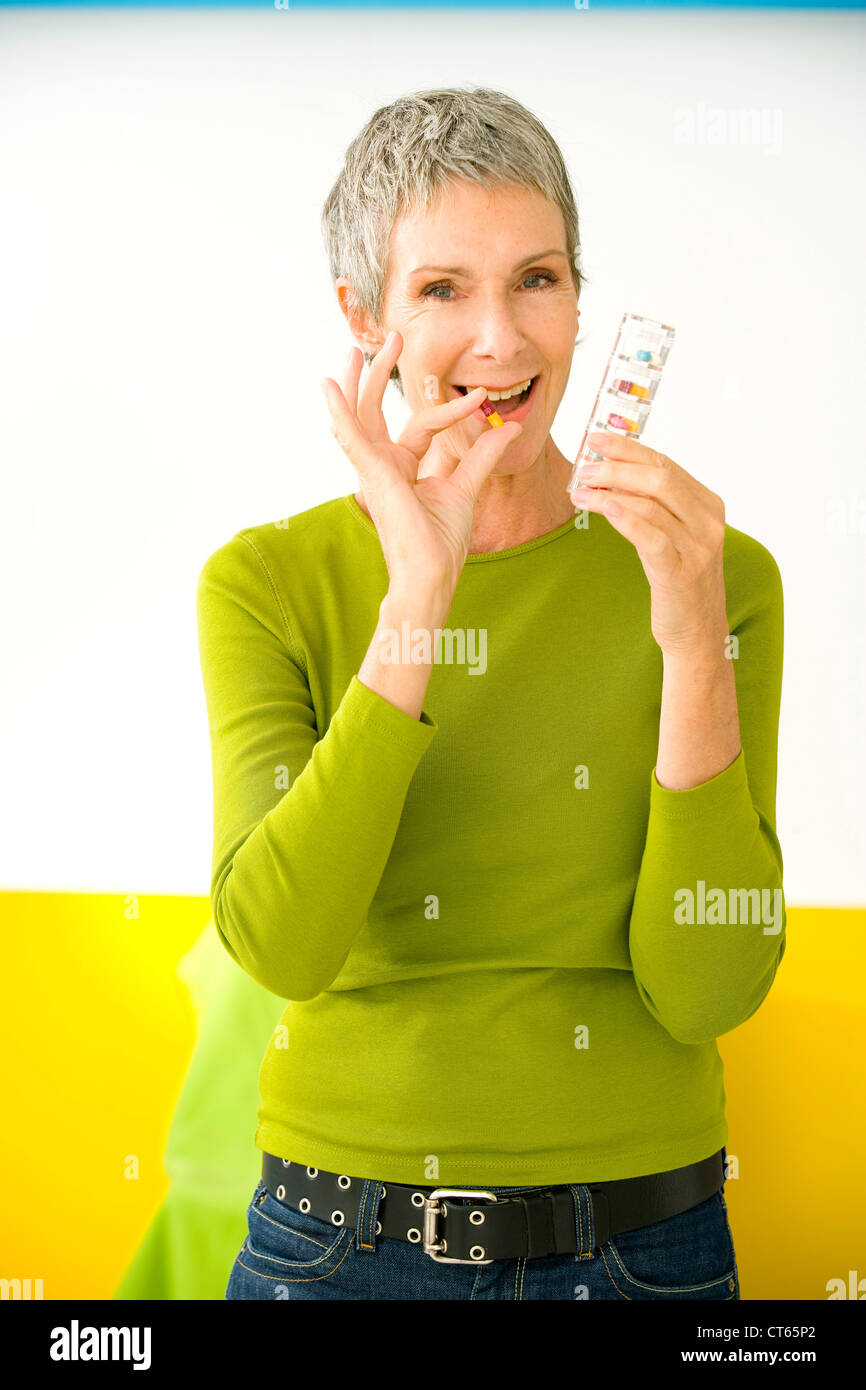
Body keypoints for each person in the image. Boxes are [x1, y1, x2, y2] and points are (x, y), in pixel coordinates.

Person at [196, 86, 786, 1301]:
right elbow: (281, 945)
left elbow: (707, 986)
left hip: (643, 1251)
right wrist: (417, 595)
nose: (503, 344)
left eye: (538, 279)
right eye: (440, 289)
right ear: (367, 321)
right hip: (331, 1248)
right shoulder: (265, 580)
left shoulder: (712, 572)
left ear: (580, 295)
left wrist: (685, 639)